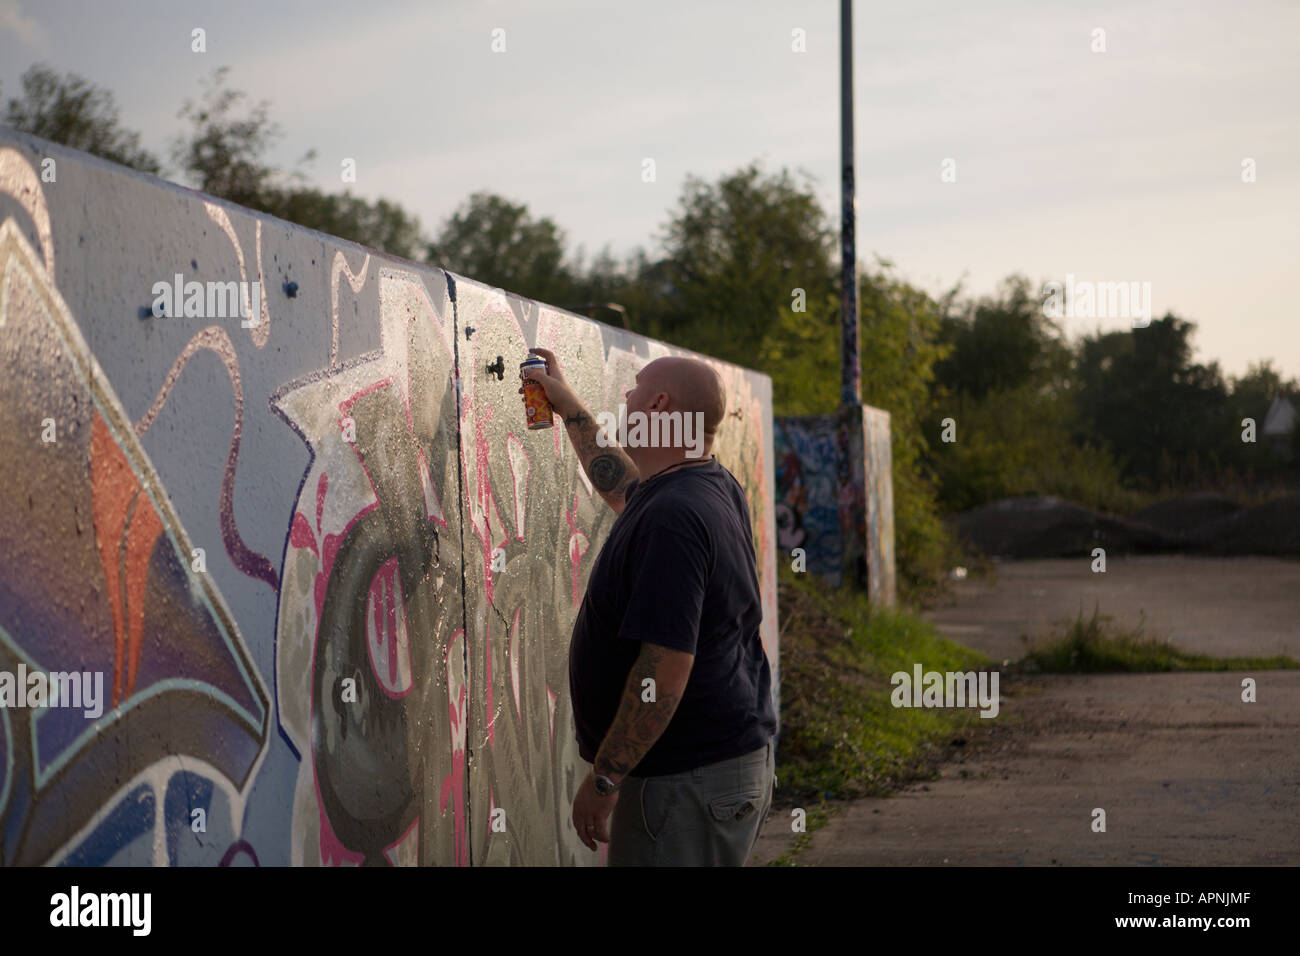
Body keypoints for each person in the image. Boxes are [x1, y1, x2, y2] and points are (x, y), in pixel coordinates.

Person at [519, 347, 777, 866]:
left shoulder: (675, 516)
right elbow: (620, 485)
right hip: (705, 767)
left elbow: (666, 670)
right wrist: (568, 407)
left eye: (634, 388)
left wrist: (606, 777)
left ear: (659, 405)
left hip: (687, 780)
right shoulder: (699, 484)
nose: (625, 395)